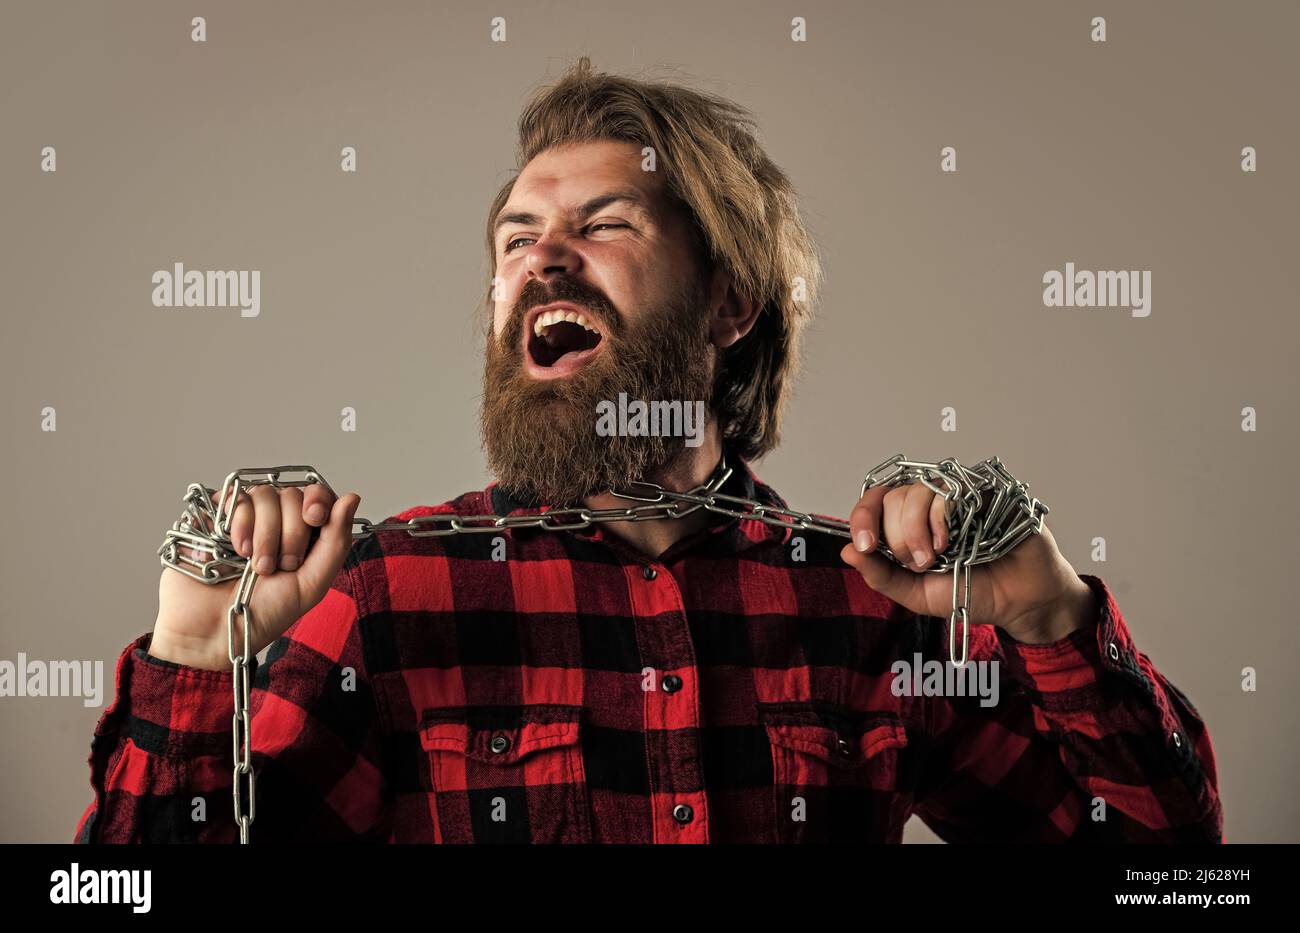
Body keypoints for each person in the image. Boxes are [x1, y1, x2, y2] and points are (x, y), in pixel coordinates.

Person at [75, 57, 1221, 844]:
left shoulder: (870, 610)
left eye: (602, 226)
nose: (544, 260)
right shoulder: (389, 594)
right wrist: (190, 653)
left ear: (729, 307)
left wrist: (1050, 619)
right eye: (518, 239)